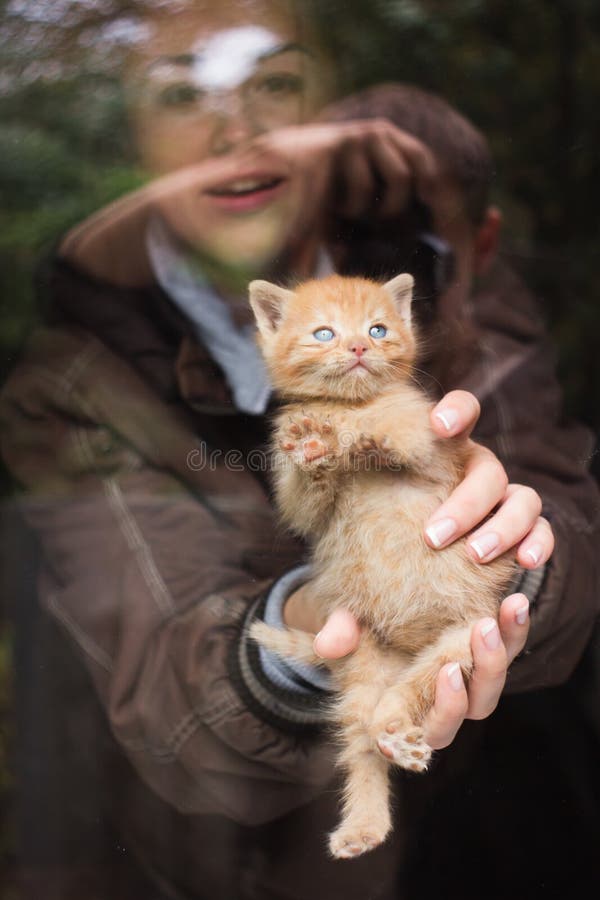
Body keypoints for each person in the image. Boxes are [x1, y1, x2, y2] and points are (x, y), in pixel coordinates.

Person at [1, 3, 597, 898]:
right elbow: (166, 675)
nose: (235, 129)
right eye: (178, 94)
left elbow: (566, 510)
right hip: (187, 867)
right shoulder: (72, 381)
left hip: (484, 838)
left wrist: (524, 561)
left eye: (274, 82)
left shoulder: (435, 270)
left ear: (331, 116)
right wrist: (309, 629)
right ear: (134, 136)